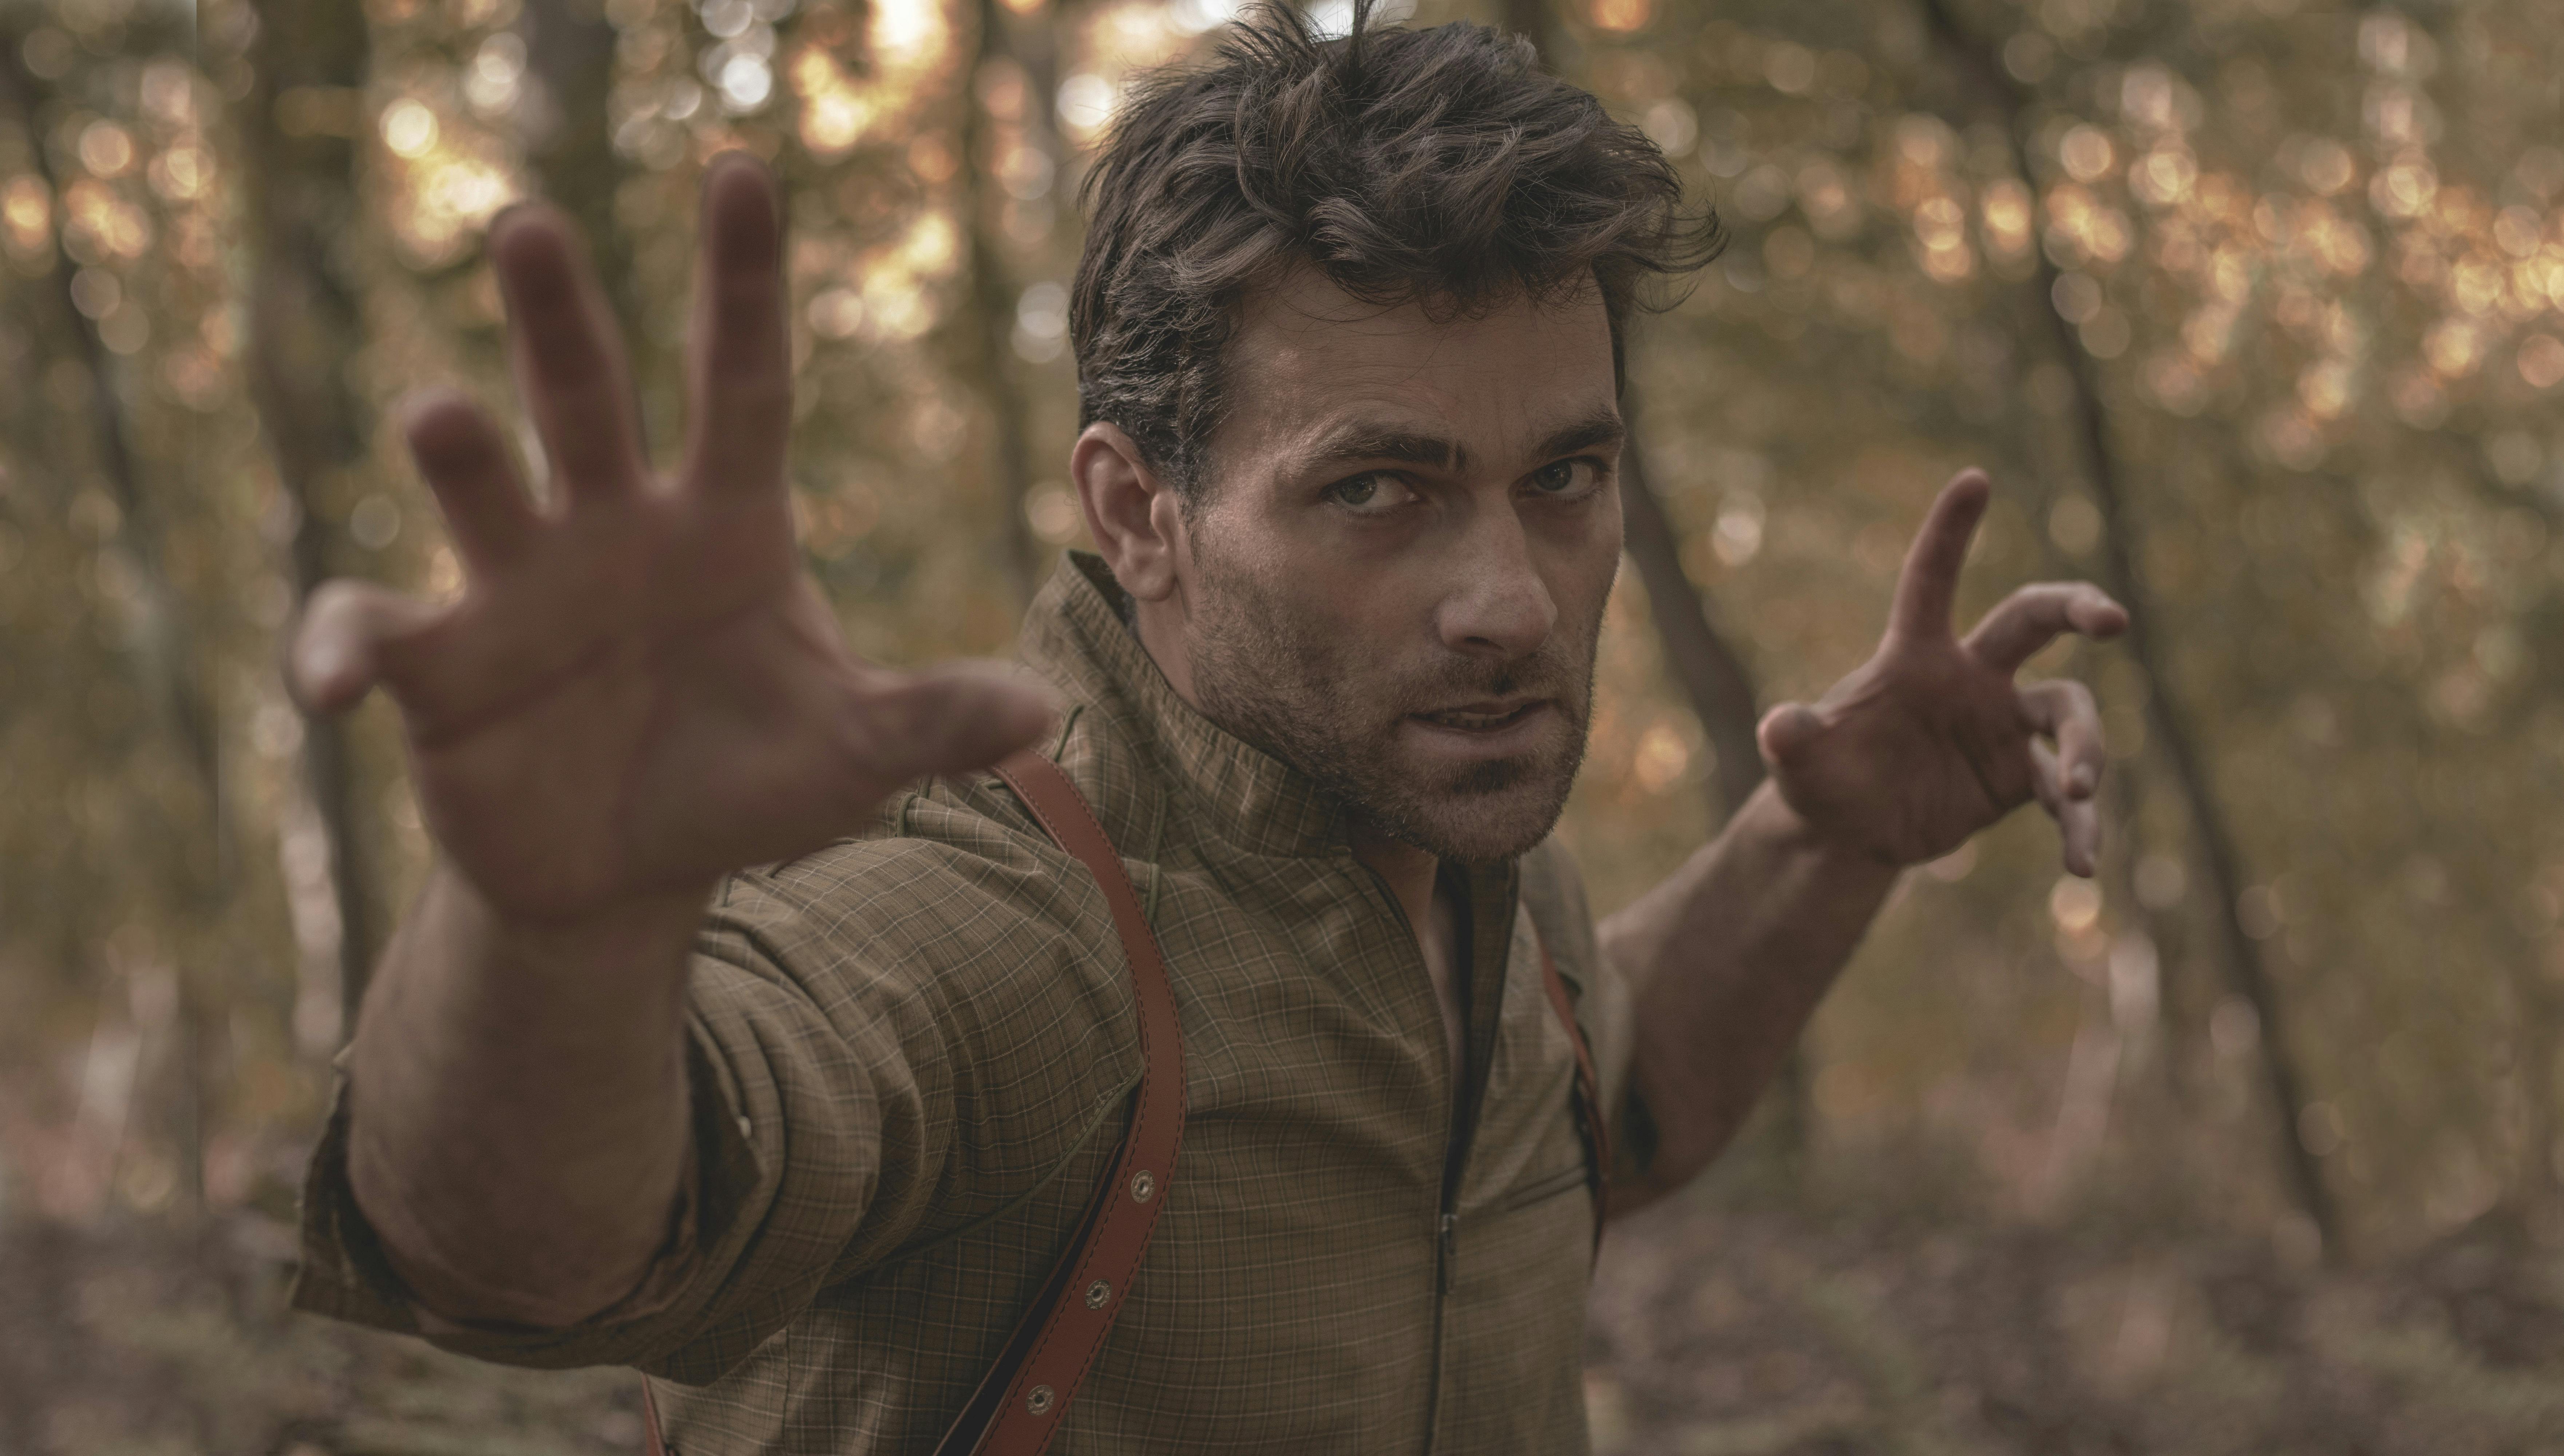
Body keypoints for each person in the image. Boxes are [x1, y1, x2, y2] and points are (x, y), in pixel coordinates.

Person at [285, 6, 2126, 1452]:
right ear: (1140, 510)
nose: (1510, 594)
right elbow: (524, 1251)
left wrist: (1823, 842)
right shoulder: (1011, 932)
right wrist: (554, 929)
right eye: (1380, 491)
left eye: (1564, 474)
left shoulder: (1474, 859)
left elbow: (1604, 1111)